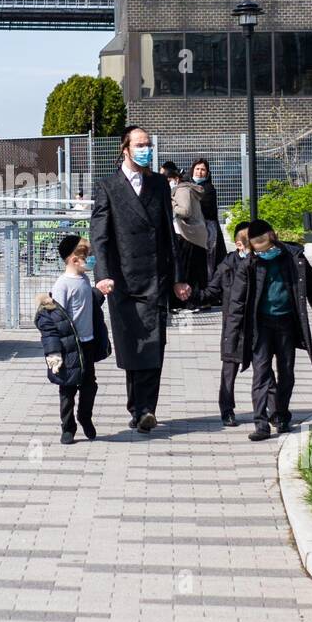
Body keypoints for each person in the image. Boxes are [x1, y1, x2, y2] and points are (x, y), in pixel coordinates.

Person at [89, 126, 189, 434]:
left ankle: (147, 409)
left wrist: (178, 277)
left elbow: (167, 231)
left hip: (155, 277)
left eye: (149, 144)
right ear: (125, 148)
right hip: (123, 280)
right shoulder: (107, 186)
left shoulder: (158, 184)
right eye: (140, 144)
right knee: (132, 345)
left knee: (154, 344)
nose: (146, 149)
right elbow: (100, 236)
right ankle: (137, 406)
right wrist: (103, 275)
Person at [225, 219, 312, 442]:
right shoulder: (249, 265)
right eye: (259, 249)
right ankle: (261, 423)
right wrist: (232, 338)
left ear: (273, 236)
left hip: (286, 324)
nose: (265, 253)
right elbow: (236, 303)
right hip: (260, 326)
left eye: (267, 247)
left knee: (286, 373)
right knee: (261, 374)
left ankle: (281, 415)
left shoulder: (295, 259)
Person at [35, 236, 110, 445]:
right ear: (74, 260)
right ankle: (68, 428)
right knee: (67, 387)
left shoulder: (85, 280)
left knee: (89, 385)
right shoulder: (63, 285)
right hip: (69, 346)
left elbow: (88, 303)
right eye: (87, 256)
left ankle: (84, 417)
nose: (91, 260)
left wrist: (100, 293)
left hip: (88, 343)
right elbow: (55, 320)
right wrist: (54, 352)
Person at [196, 220, 250, 426]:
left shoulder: (259, 262)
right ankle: (227, 410)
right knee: (229, 370)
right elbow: (212, 291)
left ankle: (271, 410)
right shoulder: (228, 265)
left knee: (264, 371)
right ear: (239, 245)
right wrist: (191, 296)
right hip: (233, 327)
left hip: (257, 325)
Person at [163, 162, 208, 311]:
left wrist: (170, 205)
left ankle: (186, 302)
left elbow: (185, 211)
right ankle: (190, 302)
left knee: (186, 270)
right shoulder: (185, 189)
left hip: (188, 235)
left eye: (167, 180)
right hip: (193, 234)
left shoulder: (182, 191)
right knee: (193, 270)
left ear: (175, 178)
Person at [189, 159, 227, 282]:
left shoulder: (209, 189)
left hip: (207, 230)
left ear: (207, 173)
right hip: (191, 230)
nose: (199, 172)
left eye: (203, 169)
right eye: (197, 169)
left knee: (208, 261)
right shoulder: (186, 185)